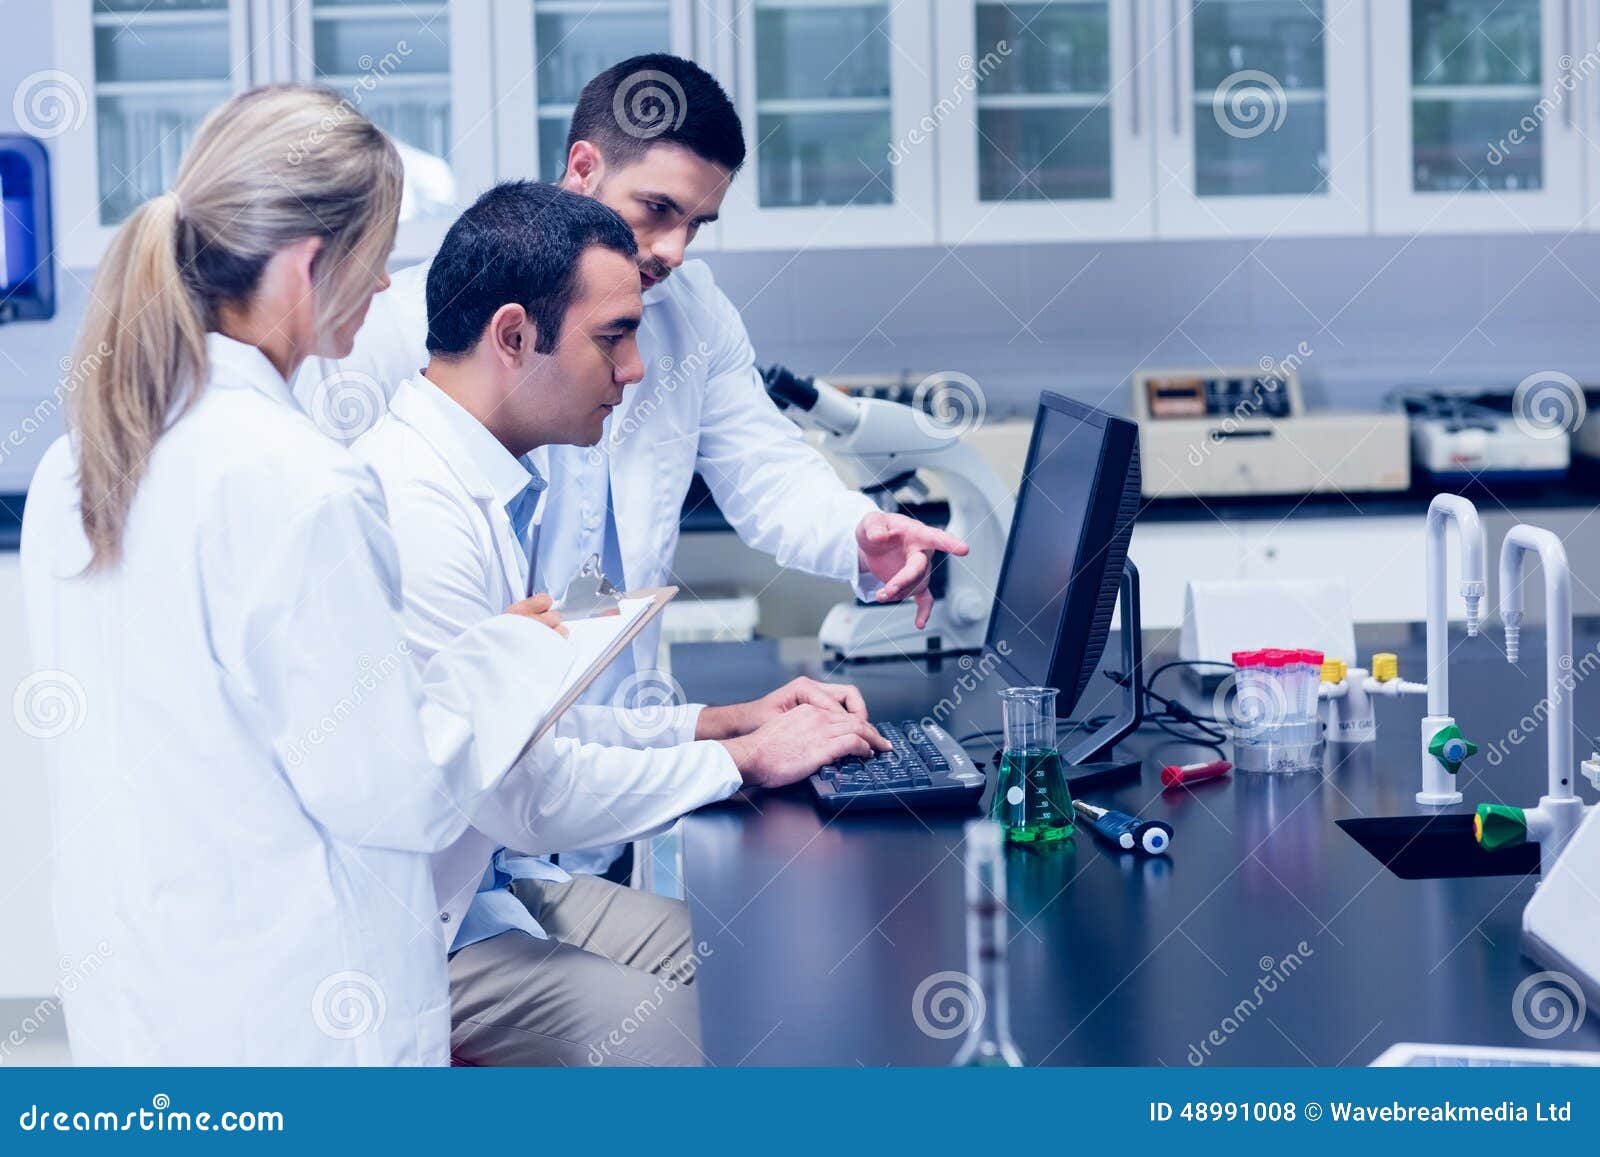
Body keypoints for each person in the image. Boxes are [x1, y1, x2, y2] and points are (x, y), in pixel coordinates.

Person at [22, 86, 610, 1065]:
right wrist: (519, 648)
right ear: (307, 263)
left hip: (145, 1011)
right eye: (376, 255)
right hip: (304, 1024)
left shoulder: (78, 461)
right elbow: (401, 795)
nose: (385, 286)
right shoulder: (299, 479)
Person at [297, 53, 967, 877]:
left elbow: (767, 470)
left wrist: (854, 533)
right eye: (658, 209)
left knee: (648, 973)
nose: (675, 249)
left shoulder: (692, 318)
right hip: (460, 814)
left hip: (612, 765)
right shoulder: (415, 324)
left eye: (697, 224)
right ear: (584, 167)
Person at [355, 180, 888, 1065]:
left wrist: (718, 720)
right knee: (715, 1046)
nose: (636, 370)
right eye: (615, 338)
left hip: (487, 888)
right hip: (420, 942)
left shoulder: (483, 485)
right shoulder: (420, 513)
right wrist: (742, 759)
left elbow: (518, 733)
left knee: (784, 970)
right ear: (515, 336)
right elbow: (525, 796)